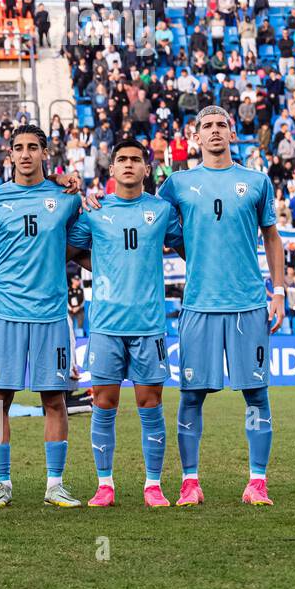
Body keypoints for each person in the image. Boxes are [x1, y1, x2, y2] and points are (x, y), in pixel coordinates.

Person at [155, 106, 283, 506]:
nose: (214, 131)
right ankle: (190, 483)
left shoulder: (256, 181)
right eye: (206, 126)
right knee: (192, 395)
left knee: (256, 395)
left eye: (221, 125)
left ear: (232, 134)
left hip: (248, 303)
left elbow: (273, 238)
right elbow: (149, 220)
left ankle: (256, 483)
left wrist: (278, 291)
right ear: (195, 137)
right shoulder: (177, 183)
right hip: (199, 305)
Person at [0, 125, 84, 509]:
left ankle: (54, 485)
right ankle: (2, 484)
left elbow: (76, 249)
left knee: (54, 399)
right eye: (18, 148)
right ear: (8, 154)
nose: (25, 154)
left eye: (33, 147)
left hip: (50, 315)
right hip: (6, 314)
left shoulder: (67, 198)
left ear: (45, 152)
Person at [67, 139, 184, 507]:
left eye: (136, 159)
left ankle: (153, 485)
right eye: (122, 159)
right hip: (104, 325)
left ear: (147, 169)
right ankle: (105, 485)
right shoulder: (95, 211)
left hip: (149, 324)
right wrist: (99, 266)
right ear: (112, 168)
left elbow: (187, 247)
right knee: (104, 402)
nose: (129, 164)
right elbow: (67, 249)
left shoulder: (162, 210)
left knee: (150, 403)